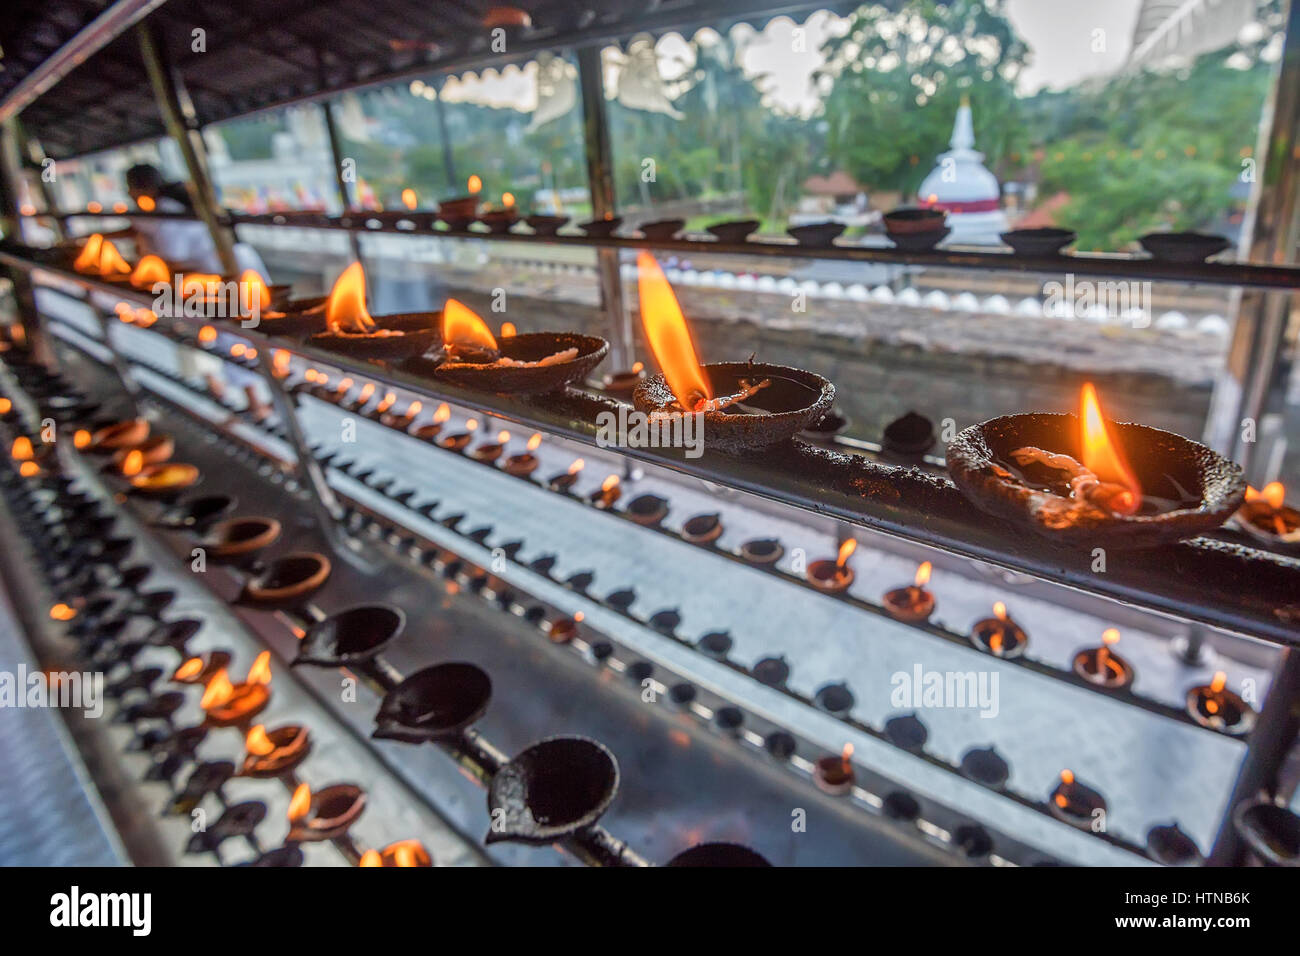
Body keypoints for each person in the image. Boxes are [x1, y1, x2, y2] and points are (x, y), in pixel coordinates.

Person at [115, 163, 268, 278]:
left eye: (130, 187)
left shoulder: (166, 210)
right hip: (234, 262)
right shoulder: (169, 205)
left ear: (143, 188)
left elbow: (174, 255)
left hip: (220, 267)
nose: (129, 193)